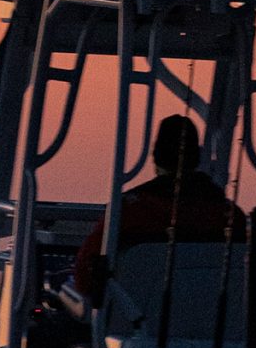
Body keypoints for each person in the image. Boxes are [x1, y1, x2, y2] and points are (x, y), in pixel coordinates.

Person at [73, 115, 245, 304]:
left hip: (130, 325)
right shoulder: (232, 218)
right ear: (197, 156)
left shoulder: (127, 212)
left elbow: (85, 277)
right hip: (212, 323)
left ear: (155, 156)